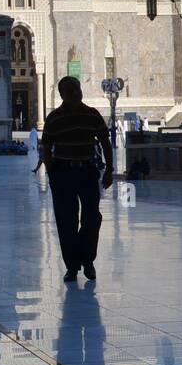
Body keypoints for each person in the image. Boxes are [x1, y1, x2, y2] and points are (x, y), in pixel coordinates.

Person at [41, 77, 113, 283]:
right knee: (66, 221)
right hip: (63, 173)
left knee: (91, 218)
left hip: (87, 171)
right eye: (70, 90)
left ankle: (87, 259)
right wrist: (51, 172)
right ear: (62, 95)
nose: (75, 93)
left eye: (77, 88)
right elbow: (46, 146)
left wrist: (109, 169)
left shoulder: (92, 114)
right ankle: (72, 267)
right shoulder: (54, 118)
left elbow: (105, 141)